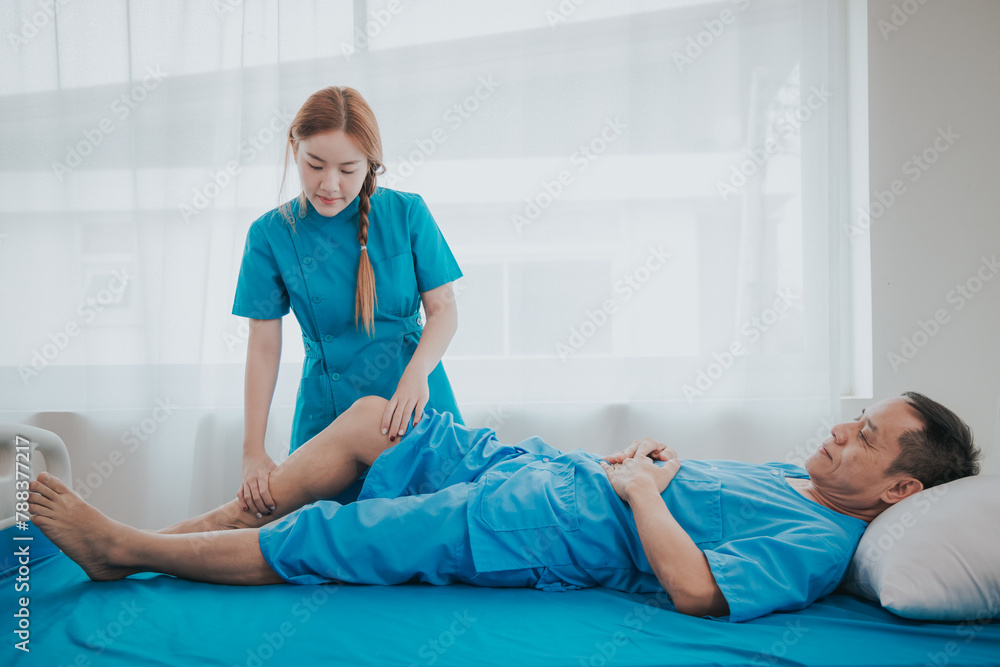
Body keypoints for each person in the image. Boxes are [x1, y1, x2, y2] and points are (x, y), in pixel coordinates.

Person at [28, 392, 979, 623]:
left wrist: (642, 490)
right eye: (853, 417)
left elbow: (695, 587)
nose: (841, 431)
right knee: (373, 419)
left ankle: (124, 546)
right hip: (552, 468)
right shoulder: (796, 481)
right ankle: (177, 533)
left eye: (866, 437)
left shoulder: (820, 541)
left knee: (336, 534)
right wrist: (659, 460)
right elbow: (704, 500)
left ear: (902, 490)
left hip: (553, 521)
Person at [233, 86, 464, 518]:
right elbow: (263, 345)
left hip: (411, 404)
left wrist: (417, 374)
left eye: (348, 169)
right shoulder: (269, 235)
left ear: (371, 166)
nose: (330, 185)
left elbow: (444, 310)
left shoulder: (407, 213)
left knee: (428, 541)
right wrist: (253, 451)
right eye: (315, 165)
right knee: (310, 547)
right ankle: (134, 550)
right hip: (328, 417)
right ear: (293, 148)